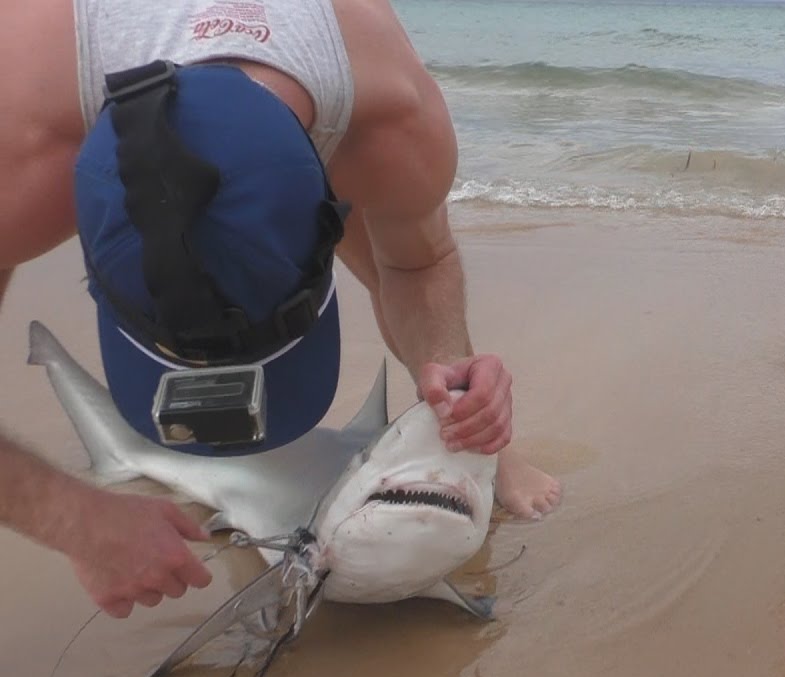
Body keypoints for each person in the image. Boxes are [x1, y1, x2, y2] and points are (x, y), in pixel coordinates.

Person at [0, 0, 561, 621]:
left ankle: (478, 448)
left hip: (324, 116)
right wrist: (73, 518)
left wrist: (455, 380)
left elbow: (416, 262)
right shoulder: (19, 151)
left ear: (326, 220)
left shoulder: (388, 120)